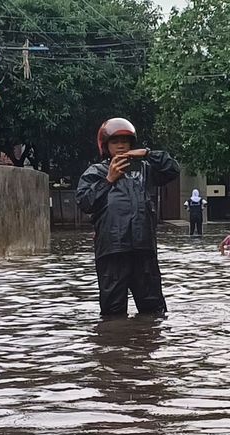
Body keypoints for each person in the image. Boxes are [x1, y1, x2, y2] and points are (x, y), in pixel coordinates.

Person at [77, 117, 180, 317]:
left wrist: (148, 154)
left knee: (154, 310)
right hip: (112, 250)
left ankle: (148, 337)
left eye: (125, 141)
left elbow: (172, 169)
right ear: (105, 146)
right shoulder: (96, 172)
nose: (121, 146)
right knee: (112, 312)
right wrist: (108, 180)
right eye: (115, 141)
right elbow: (85, 203)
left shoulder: (145, 168)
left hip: (144, 248)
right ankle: (115, 338)